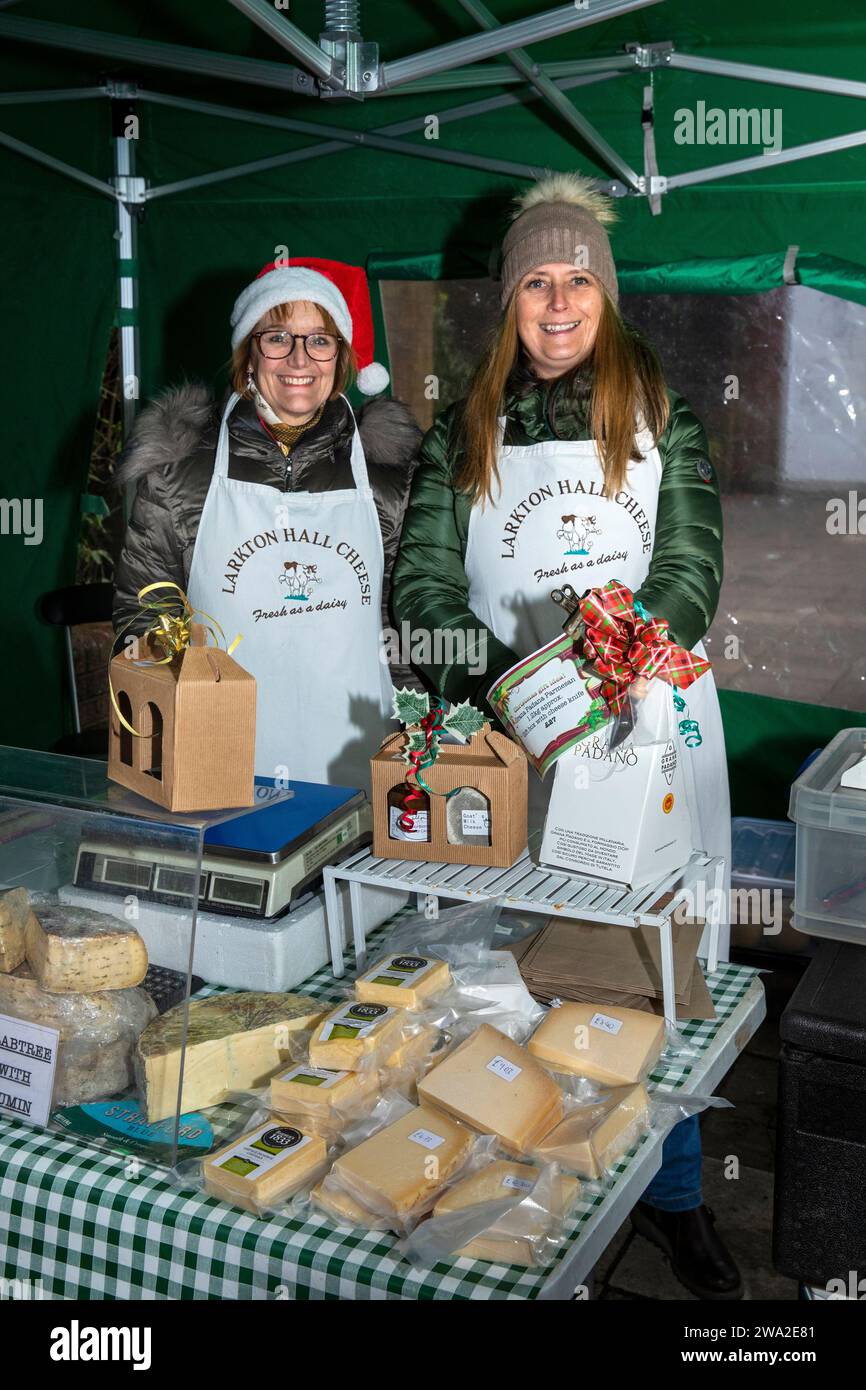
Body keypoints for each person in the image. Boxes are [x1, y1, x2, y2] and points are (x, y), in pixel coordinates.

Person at [391, 174, 740, 1299]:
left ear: (606, 291)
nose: (554, 301)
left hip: (646, 728)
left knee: (651, 972)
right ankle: (540, 1191)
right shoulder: (465, 424)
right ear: (508, 301)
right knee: (513, 970)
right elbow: (421, 580)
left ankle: (674, 1200)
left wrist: (621, 660)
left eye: (575, 278)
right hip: (511, 739)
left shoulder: (660, 413)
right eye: (535, 281)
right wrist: (516, 683)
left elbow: (689, 562)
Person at [114, 257, 421, 788]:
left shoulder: (390, 481)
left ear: (340, 357)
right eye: (277, 337)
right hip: (221, 764)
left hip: (363, 761)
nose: (299, 358)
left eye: (319, 340)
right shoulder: (177, 477)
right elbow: (142, 617)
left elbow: (407, 628)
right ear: (249, 356)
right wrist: (176, 742)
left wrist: (419, 739)